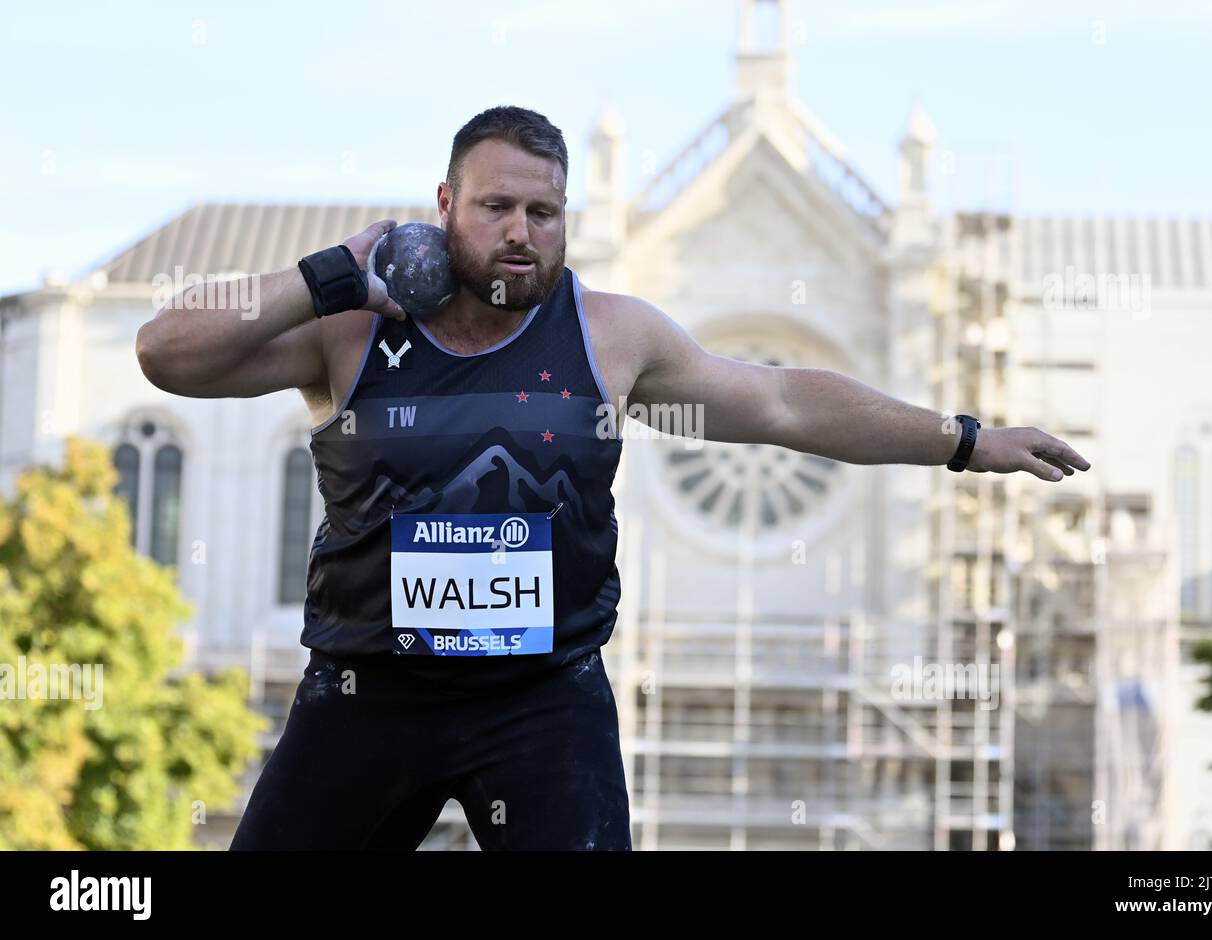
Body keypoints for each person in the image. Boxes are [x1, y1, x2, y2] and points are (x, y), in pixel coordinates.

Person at [135, 105, 1090, 851]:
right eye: (495, 207)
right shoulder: (353, 330)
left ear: (566, 221)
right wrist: (334, 270)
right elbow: (167, 356)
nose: (520, 232)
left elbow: (784, 403)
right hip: (367, 690)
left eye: (542, 213)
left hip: (542, 700)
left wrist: (962, 438)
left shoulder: (611, 339)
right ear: (441, 208)